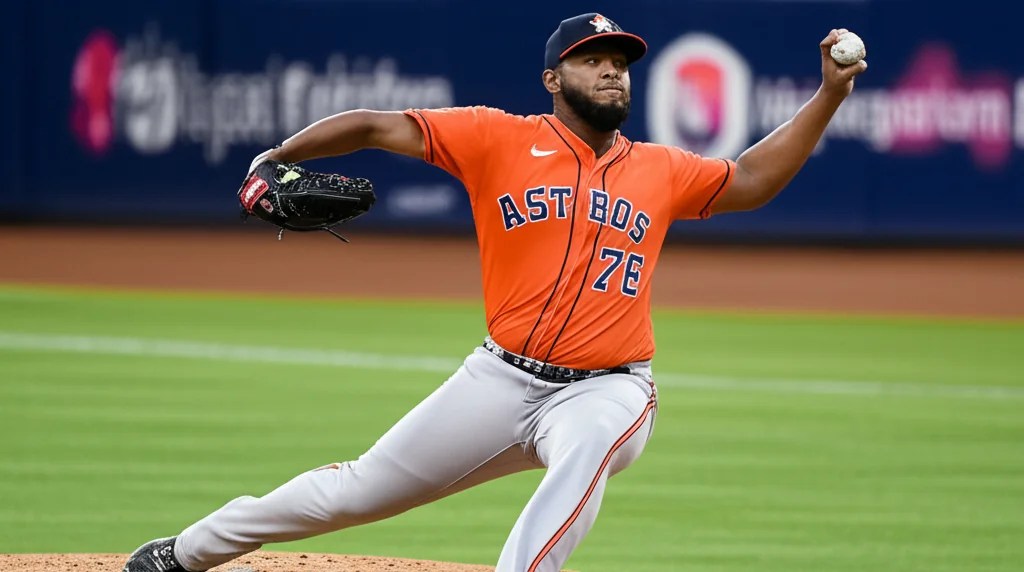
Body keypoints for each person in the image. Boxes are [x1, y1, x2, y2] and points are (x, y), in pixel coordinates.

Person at [123, 13, 866, 572]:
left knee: (582, 455)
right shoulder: (497, 137)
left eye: (619, 62)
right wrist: (277, 156)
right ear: (553, 79)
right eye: (592, 61)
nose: (612, 72)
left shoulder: (662, 168)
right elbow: (378, 125)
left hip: (610, 390)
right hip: (499, 375)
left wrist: (829, 96)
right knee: (358, 491)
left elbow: (752, 179)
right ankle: (186, 552)